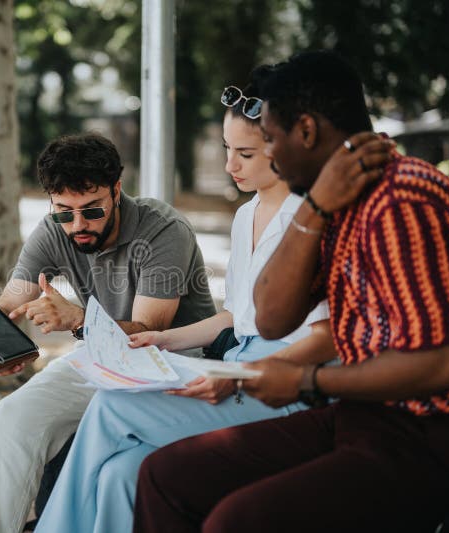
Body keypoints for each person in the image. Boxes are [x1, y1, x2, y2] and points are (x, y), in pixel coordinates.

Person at [133, 50, 449, 533]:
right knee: (166, 474)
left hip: (428, 438)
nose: (268, 155)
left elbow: (447, 364)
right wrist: (314, 208)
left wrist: (308, 381)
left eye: (270, 139)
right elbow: (272, 317)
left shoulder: (403, 201)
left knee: (235, 521)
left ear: (308, 131)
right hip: (358, 417)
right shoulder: (333, 200)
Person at [33, 83, 336, 533]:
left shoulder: (313, 219)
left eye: (246, 154)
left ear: (282, 145)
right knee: (121, 473)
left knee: (111, 408)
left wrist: (241, 376)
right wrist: (161, 338)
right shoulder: (245, 216)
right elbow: (236, 317)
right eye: (226, 148)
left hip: (283, 385)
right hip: (233, 366)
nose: (229, 165)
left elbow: (328, 336)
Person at [0, 132, 217, 533]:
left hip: (174, 365)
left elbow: (148, 331)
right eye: (64, 211)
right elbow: (10, 305)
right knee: (13, 414)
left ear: (116, 190)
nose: (78, 225)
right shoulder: (55, 229)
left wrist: (79, 319)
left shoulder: (163, 230)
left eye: (92, 210)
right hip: (103, 360)